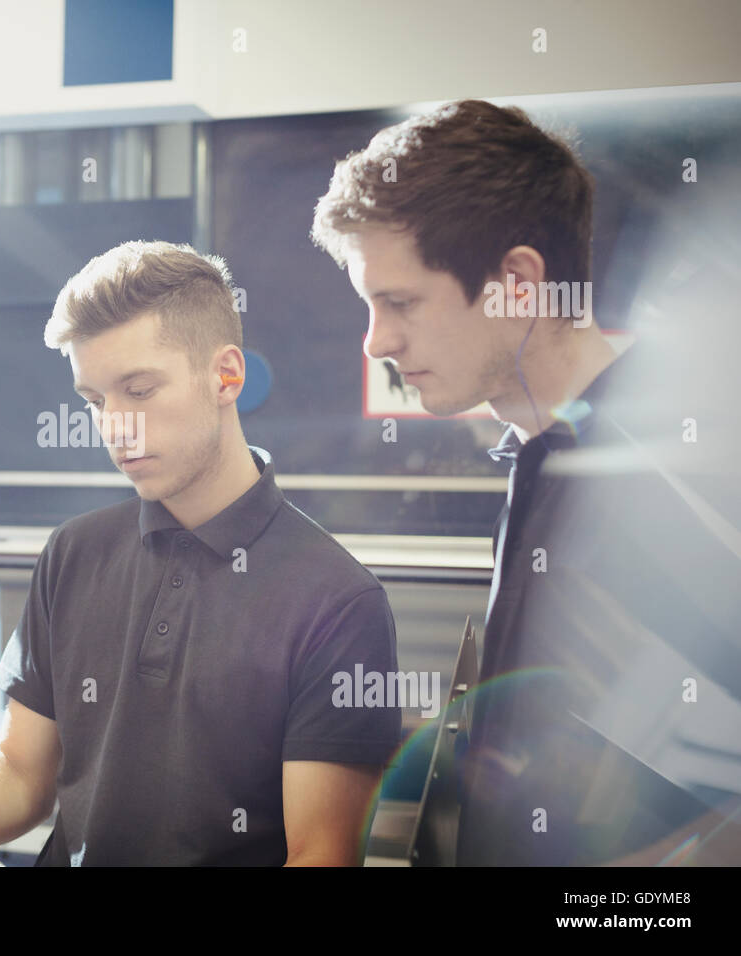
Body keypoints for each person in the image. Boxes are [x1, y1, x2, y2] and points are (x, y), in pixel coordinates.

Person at [0, 240, 403, 865]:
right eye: (96, 401)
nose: (115, 428)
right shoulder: (73, 554)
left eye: (139, 389)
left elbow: (320, 856)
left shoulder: (338, 604)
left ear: (226, 375)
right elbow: (21, 777)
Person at [310, 98, 741, 865]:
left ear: (516, 281)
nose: (376, 340)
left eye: (399, 302)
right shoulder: (544, 457)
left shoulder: (663, 478)